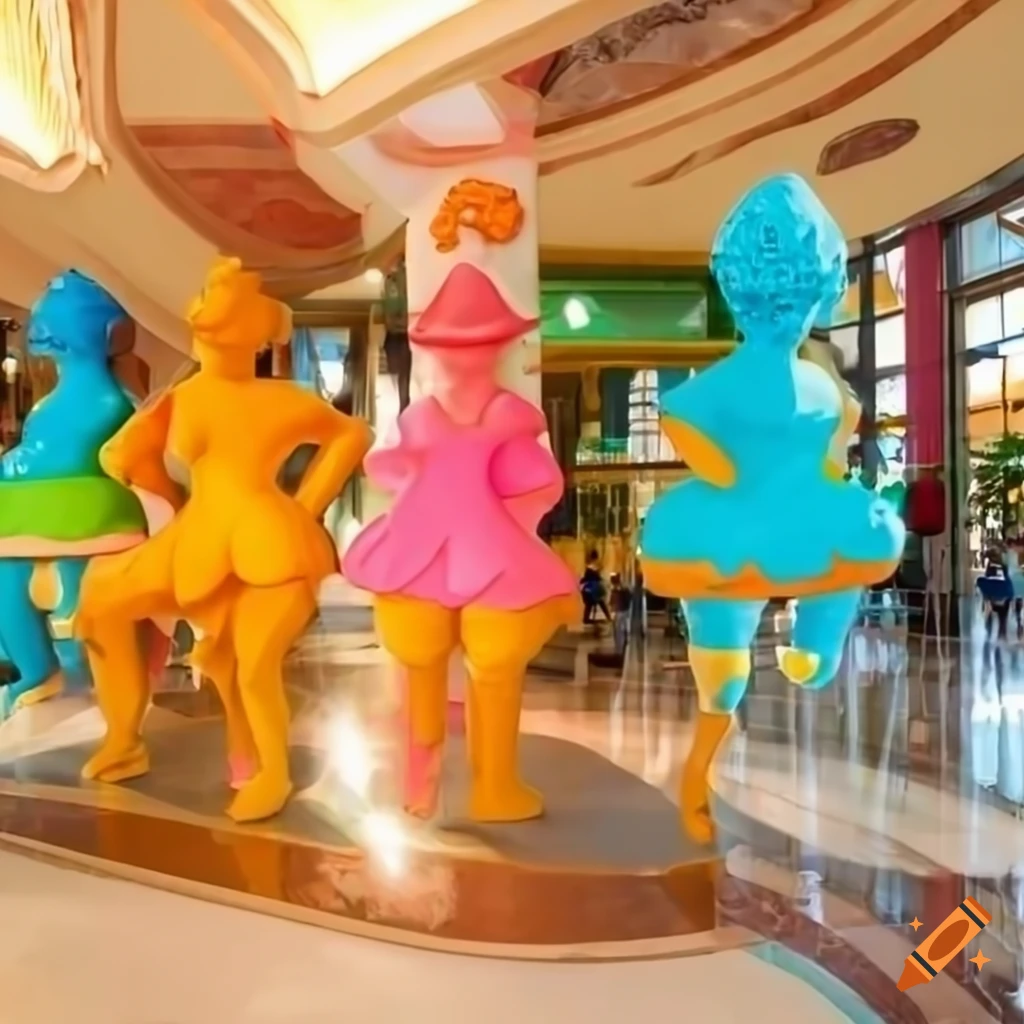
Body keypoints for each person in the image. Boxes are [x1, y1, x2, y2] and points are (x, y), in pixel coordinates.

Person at [580, 551, 610, 625]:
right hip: (592, 590)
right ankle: (608, 617)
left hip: (591, 590)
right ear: (595, 559)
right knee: (600, 601)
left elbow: (587, 578)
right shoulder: (592, 568)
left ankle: (586, 618)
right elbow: (596, 578)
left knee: (592, 603)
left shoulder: (590, 568)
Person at [609, 573, 633, 656]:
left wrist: (612, 610)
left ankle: (619, 649)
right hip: (621, 610)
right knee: (618, 629)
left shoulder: (620, 590)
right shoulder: (620, 589)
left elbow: (613, 601)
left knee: (618, 630)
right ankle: (619, 647)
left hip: (620, 611)